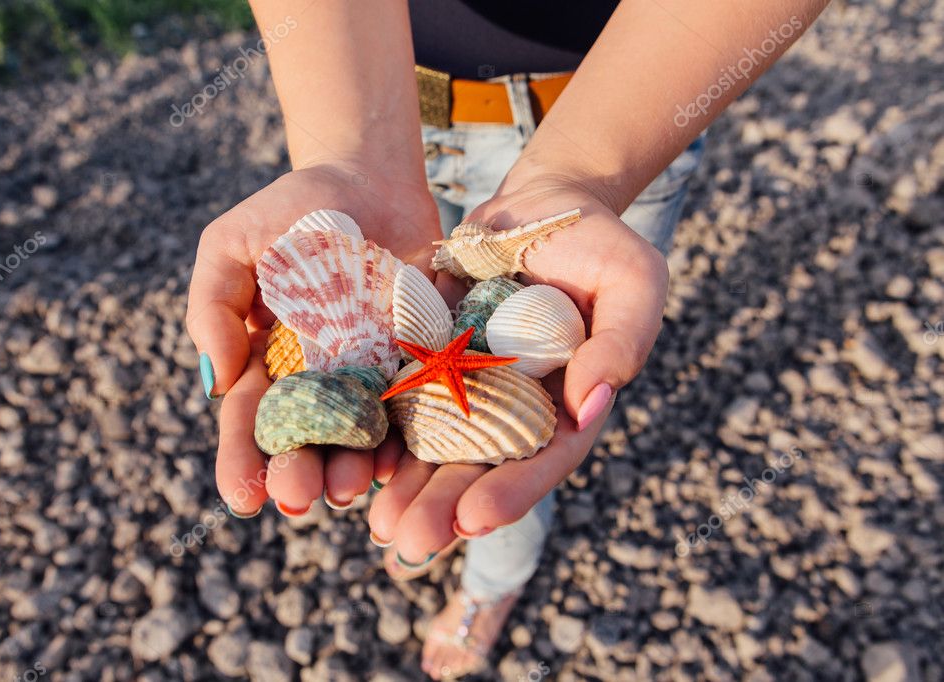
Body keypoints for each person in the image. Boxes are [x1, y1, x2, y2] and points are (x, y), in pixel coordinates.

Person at [185, 1, 829, 677]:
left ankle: (492, 586)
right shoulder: (435, 354)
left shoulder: (460, 352)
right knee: (505, 441)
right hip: (387, 102)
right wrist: (349, 157)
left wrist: (577, 176)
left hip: (628, 116)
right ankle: (488, 575)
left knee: (530, 428)